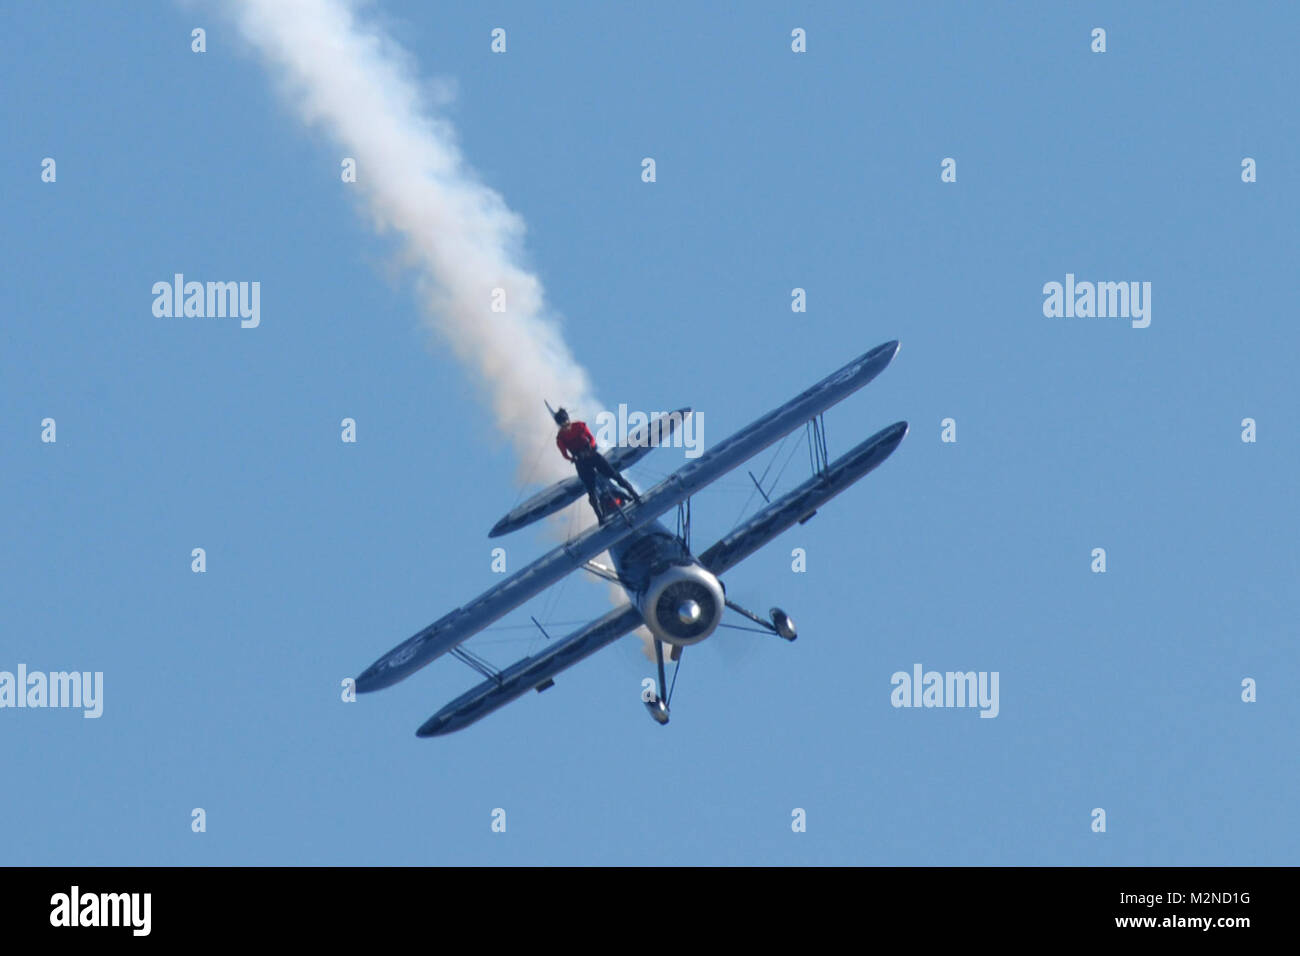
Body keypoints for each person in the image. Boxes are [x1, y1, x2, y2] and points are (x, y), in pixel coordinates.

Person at [552, 407, 641, 518]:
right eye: (563, 425)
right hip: (581, 462)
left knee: (615, 476)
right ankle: (600, 517)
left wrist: (592, 447)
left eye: (566, 423)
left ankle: (635, 495)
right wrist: (572, 459)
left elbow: (591, 438)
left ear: (568, 419)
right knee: (591, 490)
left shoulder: (579, 425)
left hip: (591, 454)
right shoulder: (560, 438)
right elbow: (564, 453)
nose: (565, 426)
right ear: (559, 425)